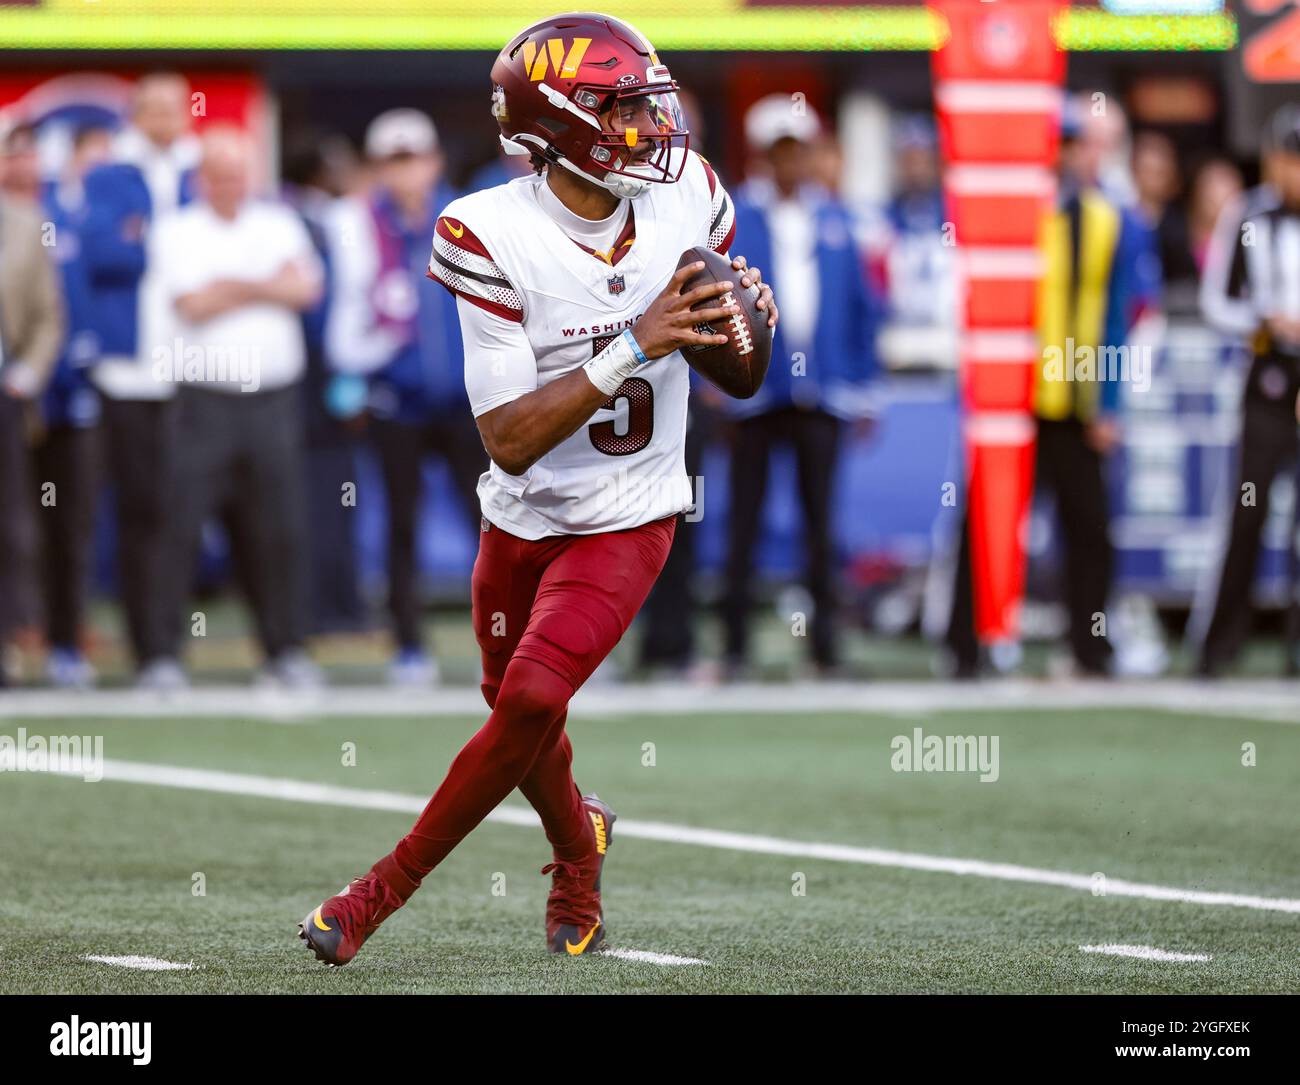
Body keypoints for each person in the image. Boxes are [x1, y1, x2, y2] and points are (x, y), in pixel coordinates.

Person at [298, 11, 775, 965]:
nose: (653, 131)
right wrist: (636, 341)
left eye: (650, 107)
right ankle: (579, 841)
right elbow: (508, 440)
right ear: (554, 126)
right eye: (623, 113)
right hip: (520, 515)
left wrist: (748, 314)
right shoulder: (485, 229)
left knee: (526, 703)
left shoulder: (688, 192)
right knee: (522, 711)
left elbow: (743, 352)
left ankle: (376, 892)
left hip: (631, 511)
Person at [150, 127, 324, 687]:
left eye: (237, 173)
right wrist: (263, 284)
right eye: (218, 175)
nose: (229, 185)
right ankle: (162, 657)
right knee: (178, 526)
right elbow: (193, 304)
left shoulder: (278, 222)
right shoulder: (178, 230)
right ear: (202, 178)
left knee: (277, 530)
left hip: (272, 402)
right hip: (205, 402)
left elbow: (305, 291)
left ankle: (284, 651)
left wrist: (233, 284)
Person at [720, 94, 880, 677]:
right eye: (782, 153)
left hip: (823, 394)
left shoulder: (837, 218)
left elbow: (863, 308)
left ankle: (824, 648)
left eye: (801, 152)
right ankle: (736, 645)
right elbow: (711, 305)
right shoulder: (737, 217)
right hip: (756, 395)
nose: (794, 165)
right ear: (765, 157)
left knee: (820, 527)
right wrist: (719, 382)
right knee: (746, 524)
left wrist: (864, 386)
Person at [325, 109, 483, 686]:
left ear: (434, 160)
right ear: (378, 169)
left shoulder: (471, 217)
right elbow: (342, 321)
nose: (408, 171)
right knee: (400, 525)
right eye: (394, 160)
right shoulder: (359, 226)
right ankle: (410, 645)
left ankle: (513, 638)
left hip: (470, 398)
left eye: (414, 157)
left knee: (496, 522)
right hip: (397, 399)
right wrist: (373, 360)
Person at [82, 72, 200, 690]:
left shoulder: (195, 171)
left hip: (196, 365)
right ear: (135, 115)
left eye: (173, 108)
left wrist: (152, 239)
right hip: (130, 370)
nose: (164, 119)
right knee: (139, 510)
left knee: (183, 511)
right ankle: (148, 648)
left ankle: (175, 644)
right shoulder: (108, 174)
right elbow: (101, 252)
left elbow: (216, 253)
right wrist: (166, 243)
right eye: (151, 109)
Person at [1192, 108, 1300, 677]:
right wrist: (1265, 321)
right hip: (1267, 379)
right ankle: (1219, 646)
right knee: (1248, 513)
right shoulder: (1248, 215)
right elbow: (1215, 302)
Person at [34, 124, 114, 687]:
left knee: (76, 525)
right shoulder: (42, 214)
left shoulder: (116, 217)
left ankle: (67, 639)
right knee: (21, 527)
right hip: (33, 385)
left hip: (92, 388)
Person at [282, 130, 367, 638]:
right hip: (307, 383)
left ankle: (337, 602)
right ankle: (319, 606)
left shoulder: (339, 219)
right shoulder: (297, 222)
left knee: (337, 494)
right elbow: (323, 309)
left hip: (328, 383)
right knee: (317, 496)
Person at [0, 136, 66, 687]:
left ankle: (6, 646)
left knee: (11, 526)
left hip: (5, 392)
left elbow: (48, 315)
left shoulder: (26, 224)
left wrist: (25, 374)